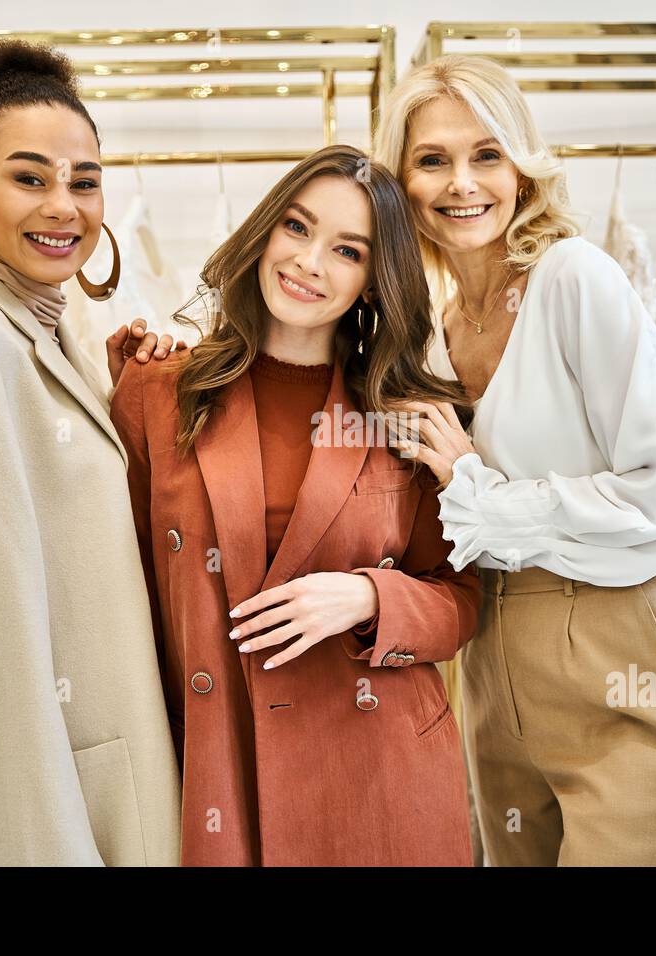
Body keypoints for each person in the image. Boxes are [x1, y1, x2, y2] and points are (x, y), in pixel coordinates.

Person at [370, 54, 656, 866]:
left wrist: (481, 489)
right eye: (433, 160)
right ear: (401, 180)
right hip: (495, 684)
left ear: (523, 167)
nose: (463, 183)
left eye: (487, 154)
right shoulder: (430, 327)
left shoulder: (574, 279)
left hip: (625, 671)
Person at [107, 144, 480, 866]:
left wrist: (367, 596)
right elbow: (124, 593)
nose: (310, 262)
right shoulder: (158, 391)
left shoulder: (407, 417)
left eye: (347, 250)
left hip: (379, 778)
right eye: (297, 228)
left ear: (373, 282)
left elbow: (464, 599)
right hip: (221, 771)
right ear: (265, 232)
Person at [0, 39, 181, 865]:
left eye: (84, 182)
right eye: (29, 177)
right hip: (55, 823)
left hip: (106, 787)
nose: (64, 206)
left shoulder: (45, 337)